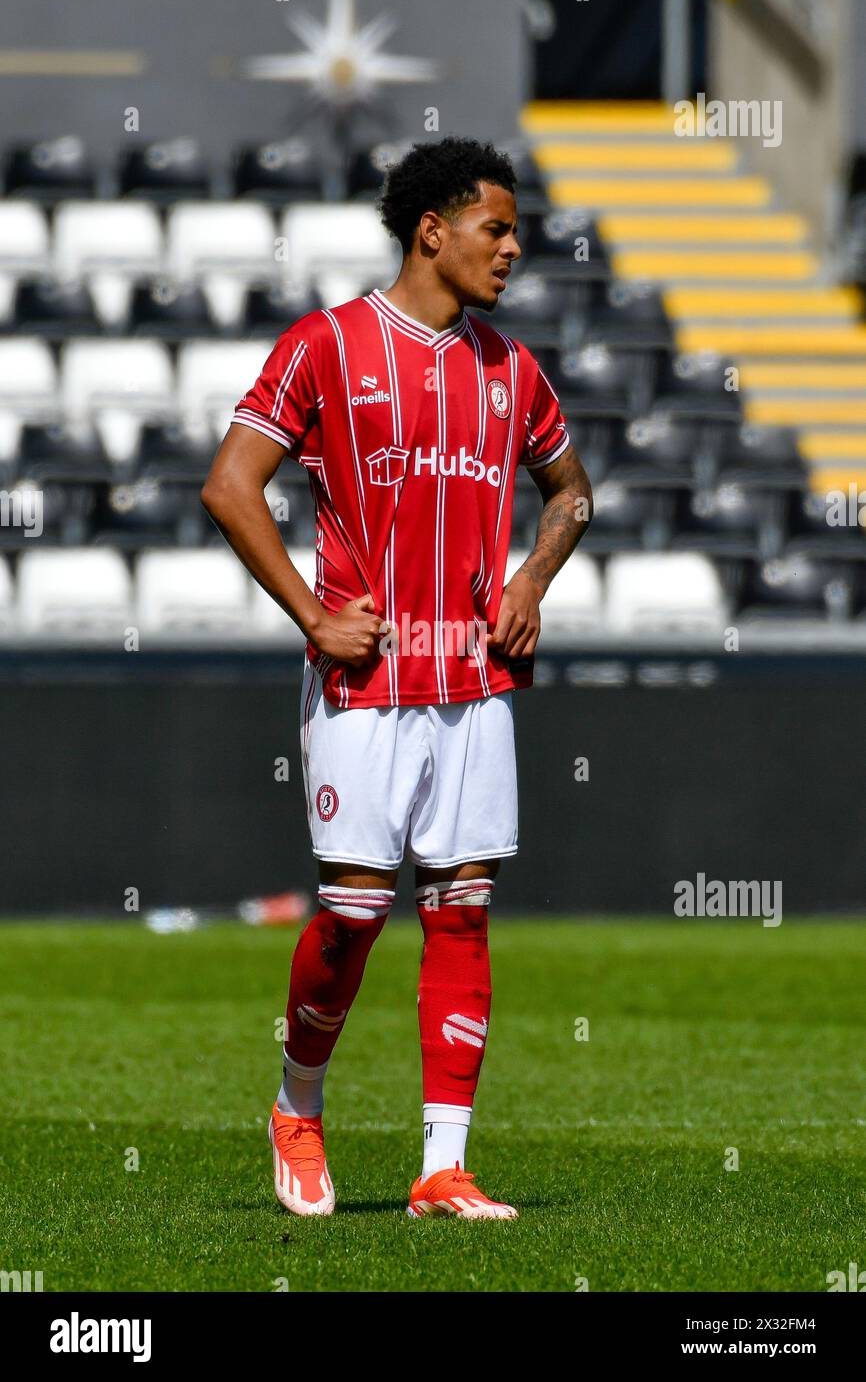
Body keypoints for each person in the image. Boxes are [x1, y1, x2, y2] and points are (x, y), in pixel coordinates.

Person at [201, 135, 593, 1220]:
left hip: (473, 682)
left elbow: (571, 491)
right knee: (354, 911)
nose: (513, 248)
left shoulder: (511, 368)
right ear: (433, 229)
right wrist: (313, 615)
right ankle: (297, 1105)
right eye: (496, 228)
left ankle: (441, 1165)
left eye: (513, 232)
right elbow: (231, 486)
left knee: (460, 914)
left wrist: (532, 576)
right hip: (367, 681)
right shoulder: (327, 345)